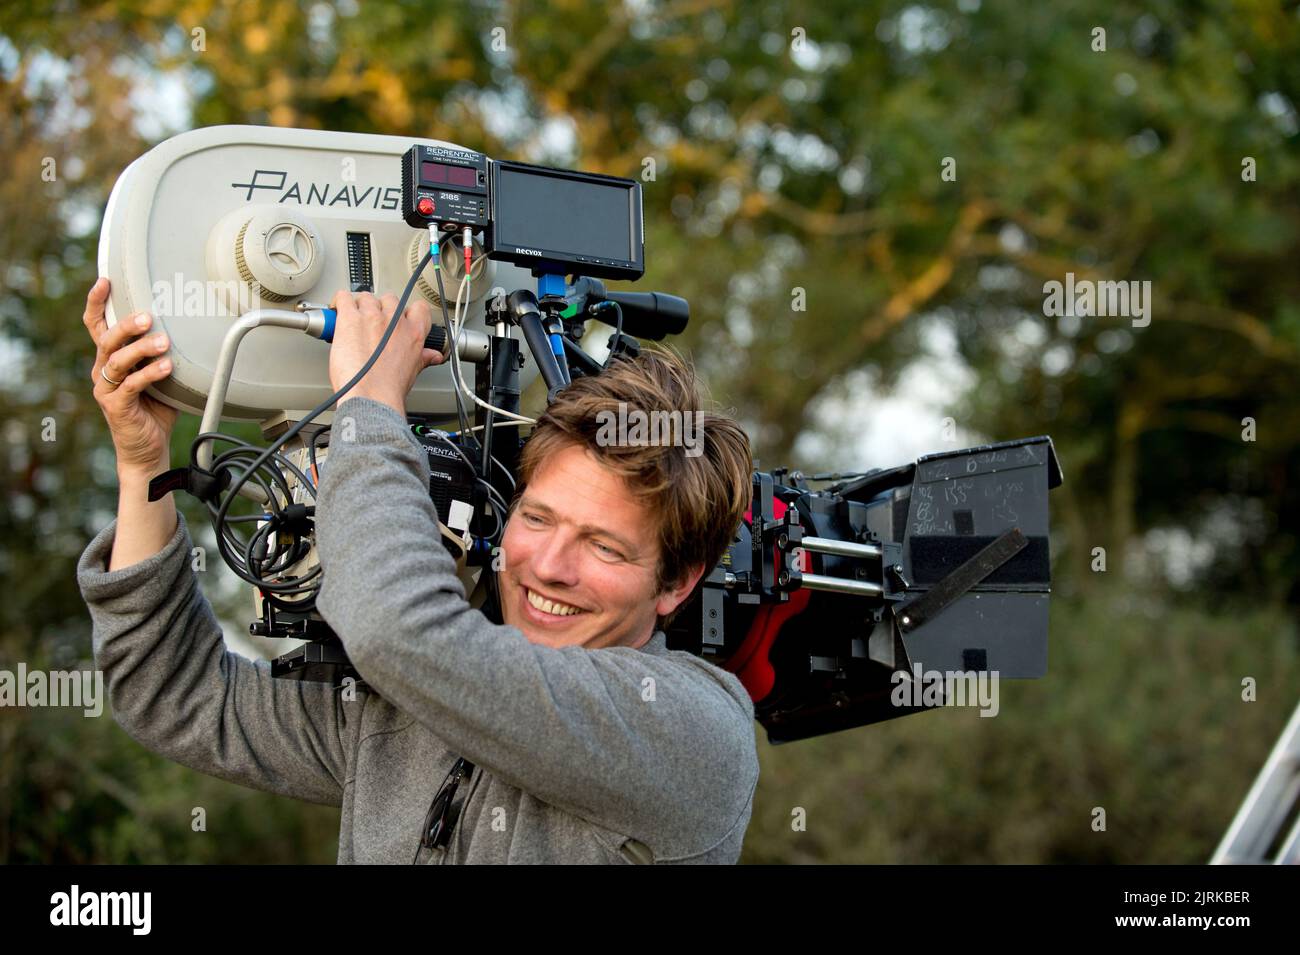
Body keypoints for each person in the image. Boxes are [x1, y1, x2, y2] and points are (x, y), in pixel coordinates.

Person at [76, 276, 760, 864]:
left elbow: (393, 631)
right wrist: (143, 463)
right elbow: (178, 695)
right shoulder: (415, 705)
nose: (548, 567)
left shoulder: (692, 731)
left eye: (604, 547)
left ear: (677, 581)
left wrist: (368, 407)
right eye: (538, 518)